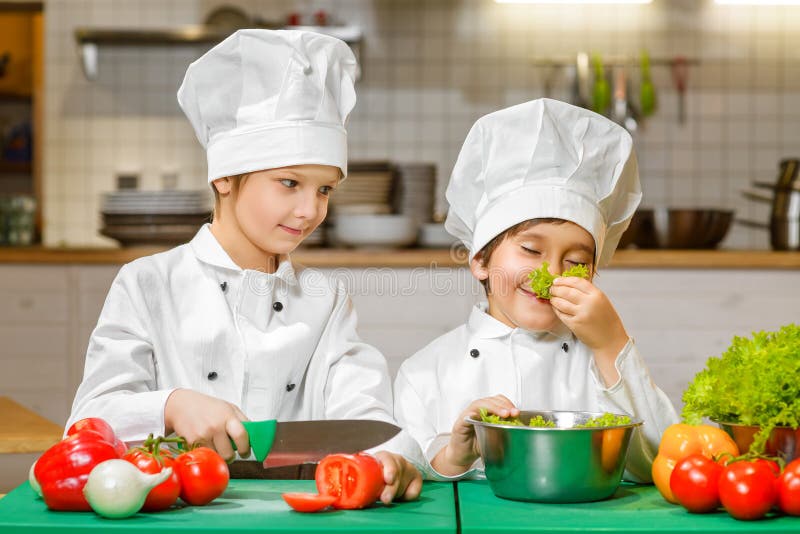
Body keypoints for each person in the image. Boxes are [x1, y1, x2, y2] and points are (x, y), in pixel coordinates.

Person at [67, 29, 422, 503]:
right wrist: (170, 405)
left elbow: (365, 411)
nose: (309, 211)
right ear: (224, 178)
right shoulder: (147, 283)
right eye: (289, 183)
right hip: (171, 515)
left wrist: (388, 458)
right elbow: (87, 422)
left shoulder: (326, 299)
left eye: (324, 190)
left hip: (294, 517)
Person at [394, 98, 679, 481]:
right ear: (480, 260)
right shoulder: (425, 373)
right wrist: (454, 457)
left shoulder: (598, 363)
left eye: (576, 262)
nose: (552, 273)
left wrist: (611, 342)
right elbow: (407, 476)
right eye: (530, 250)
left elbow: (660, 462)